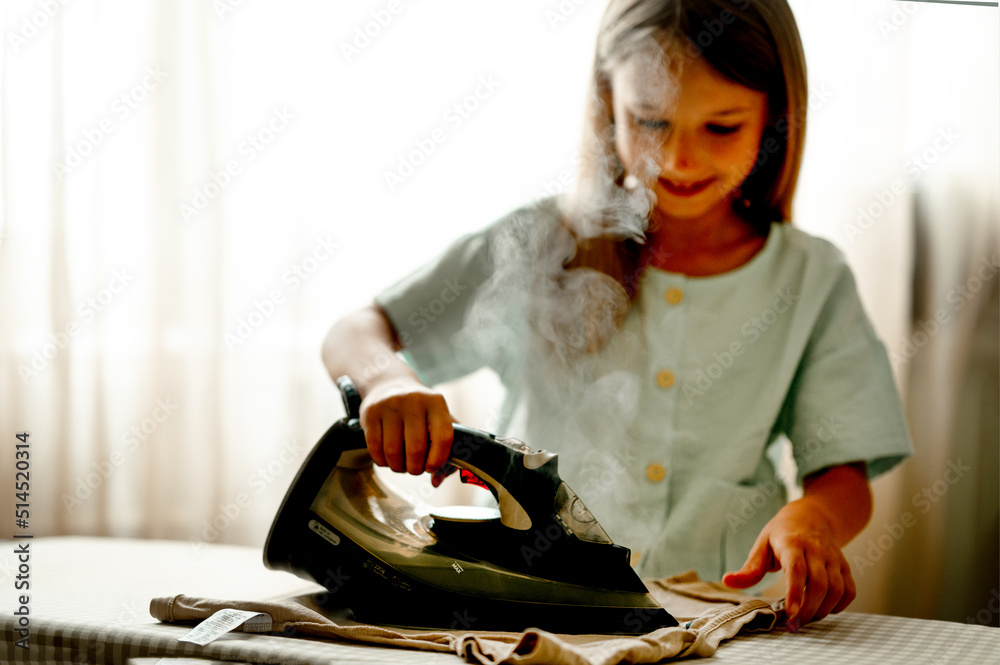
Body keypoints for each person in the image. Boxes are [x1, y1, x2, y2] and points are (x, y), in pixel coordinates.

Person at [322, 0, 913, 633]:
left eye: (721, 128)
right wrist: (390, 382)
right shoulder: (540, 241)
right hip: (527, 609)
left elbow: (844, 473)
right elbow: (355, 331)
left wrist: (814, 519)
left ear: (775, 116)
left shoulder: (811, 280)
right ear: (609, 104)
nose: (681, 160)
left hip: (723, 622)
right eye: (652, 122)